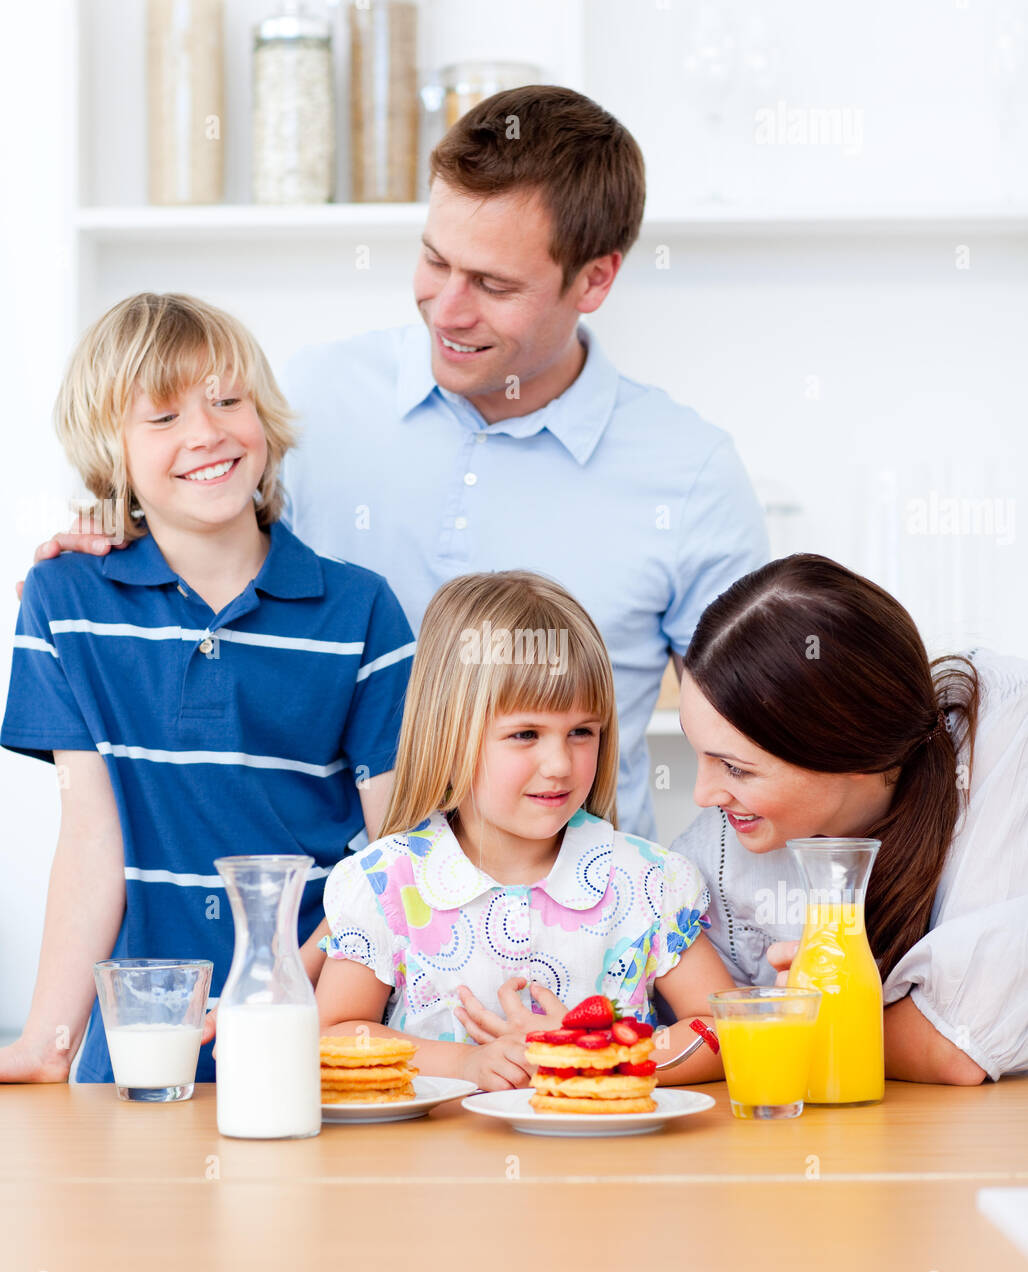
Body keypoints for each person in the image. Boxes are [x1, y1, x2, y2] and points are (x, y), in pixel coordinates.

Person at [27, 86, 769, 841]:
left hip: (580, 934)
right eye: (434, 260)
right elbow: (201, 536)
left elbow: (760, 749)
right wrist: (113, 531)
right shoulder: (314, 398)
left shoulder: (689, 475)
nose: (446, 308)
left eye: (494, 284)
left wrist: (682, 916)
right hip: (331, 921)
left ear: (596, 280)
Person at [0, 293, 414, 1085]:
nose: (206, 432)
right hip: (135, 1058)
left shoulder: (361, 610)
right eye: (161, 418)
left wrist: (282, 987)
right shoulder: (62, 602)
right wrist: (47, 1043)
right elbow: (92, 842)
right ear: (110, 451)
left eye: (228, 400)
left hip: (320, 1041)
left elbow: (398, 858)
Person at [314, 570, 733, 1091]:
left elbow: (723, 1030)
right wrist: (463, 1064)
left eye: (582, 731)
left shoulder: (648, 880)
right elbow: (329, 1035)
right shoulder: (387, 881)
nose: (559, 763)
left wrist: (598, 1055)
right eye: (525, 734)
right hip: (434, 1169)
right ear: (447, 735)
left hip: (608, 1168)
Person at [671, 553, 1028, 1085]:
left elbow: (957, 1042)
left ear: (848, 753)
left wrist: (792, 1019)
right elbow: (722, 1041)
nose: (703, 794)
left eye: (736, 769)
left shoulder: (999, 729)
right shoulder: (708, 861)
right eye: (697, 753)